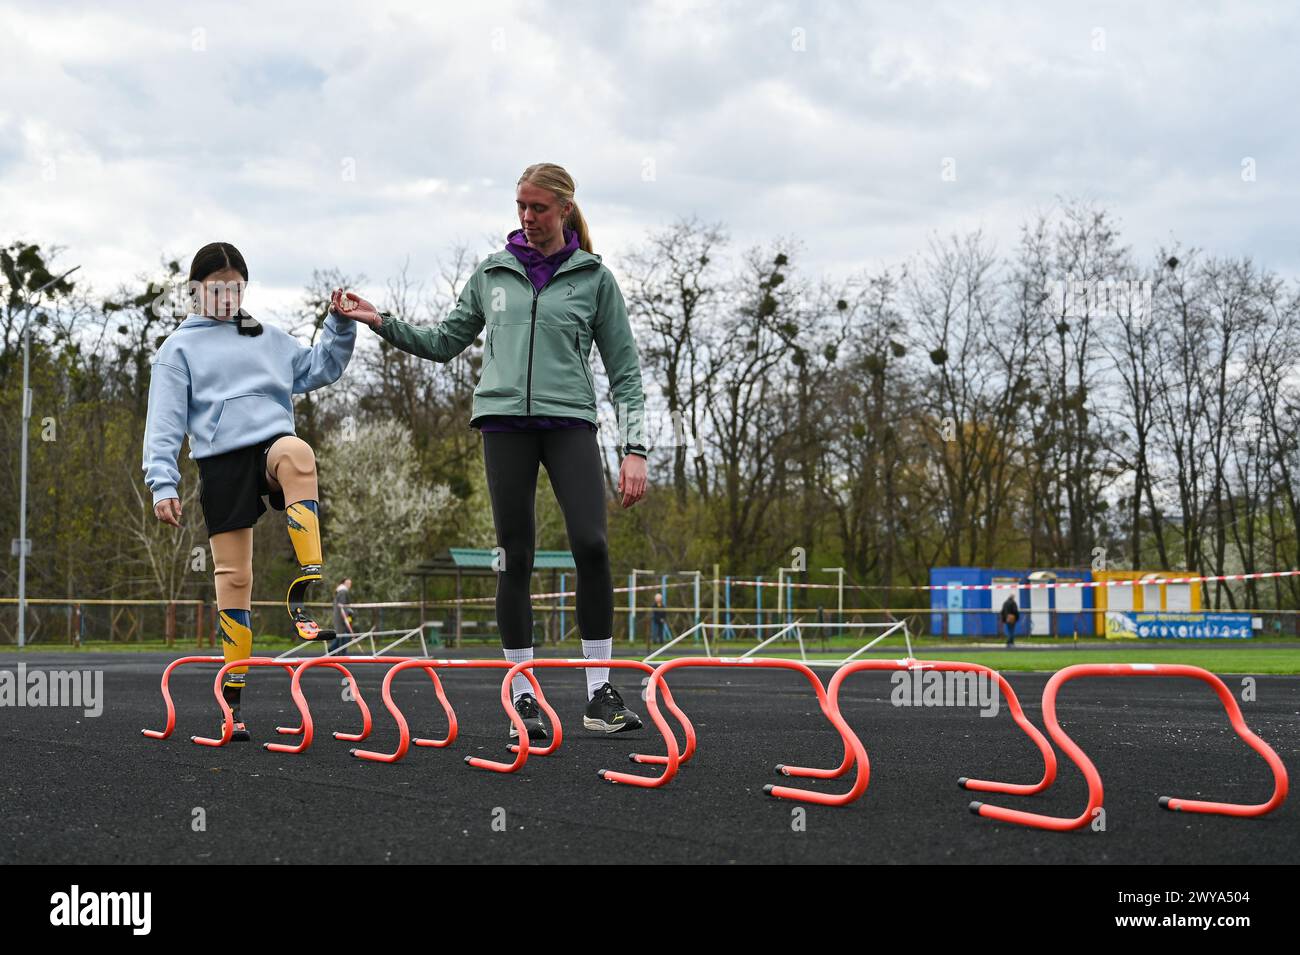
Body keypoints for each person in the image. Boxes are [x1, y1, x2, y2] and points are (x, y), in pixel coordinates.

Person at [334, 163, 648, 739]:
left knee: (592, 544)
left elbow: (625, 370)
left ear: (566, 210)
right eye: (521, 207)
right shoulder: (493, 275)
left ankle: (598, 692)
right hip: (504, 424)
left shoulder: (594, 279)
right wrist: (379, 320)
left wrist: (636, 449)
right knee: (514, 554)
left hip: (569, 421)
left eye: (540, 208)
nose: (528, 218)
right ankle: (522, 696)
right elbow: (443, 342)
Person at [143, 241, 356, 741]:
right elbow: (165, 423)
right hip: (221, 462)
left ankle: (307, 577)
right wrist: (162, 484)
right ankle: (233, 701)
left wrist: (340, 324)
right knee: (234, 579)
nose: (227, 297)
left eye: (235, 288)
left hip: (269, 448)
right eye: (217, 288)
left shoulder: (270, 339)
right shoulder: (178, 349)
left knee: (298, 455)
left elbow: (319, 367)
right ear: (196, 290)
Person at [330, 577, 355, 655]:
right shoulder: (343, 591)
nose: (349, 585)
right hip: (342, 617)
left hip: (341, 617)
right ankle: (336, 651)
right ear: (344, 583)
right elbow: (342, 605)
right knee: (343, 634)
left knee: (341, 634)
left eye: (350, 583)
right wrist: (346, 616)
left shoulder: (340, 591)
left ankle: (335, 651)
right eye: (348, 583)